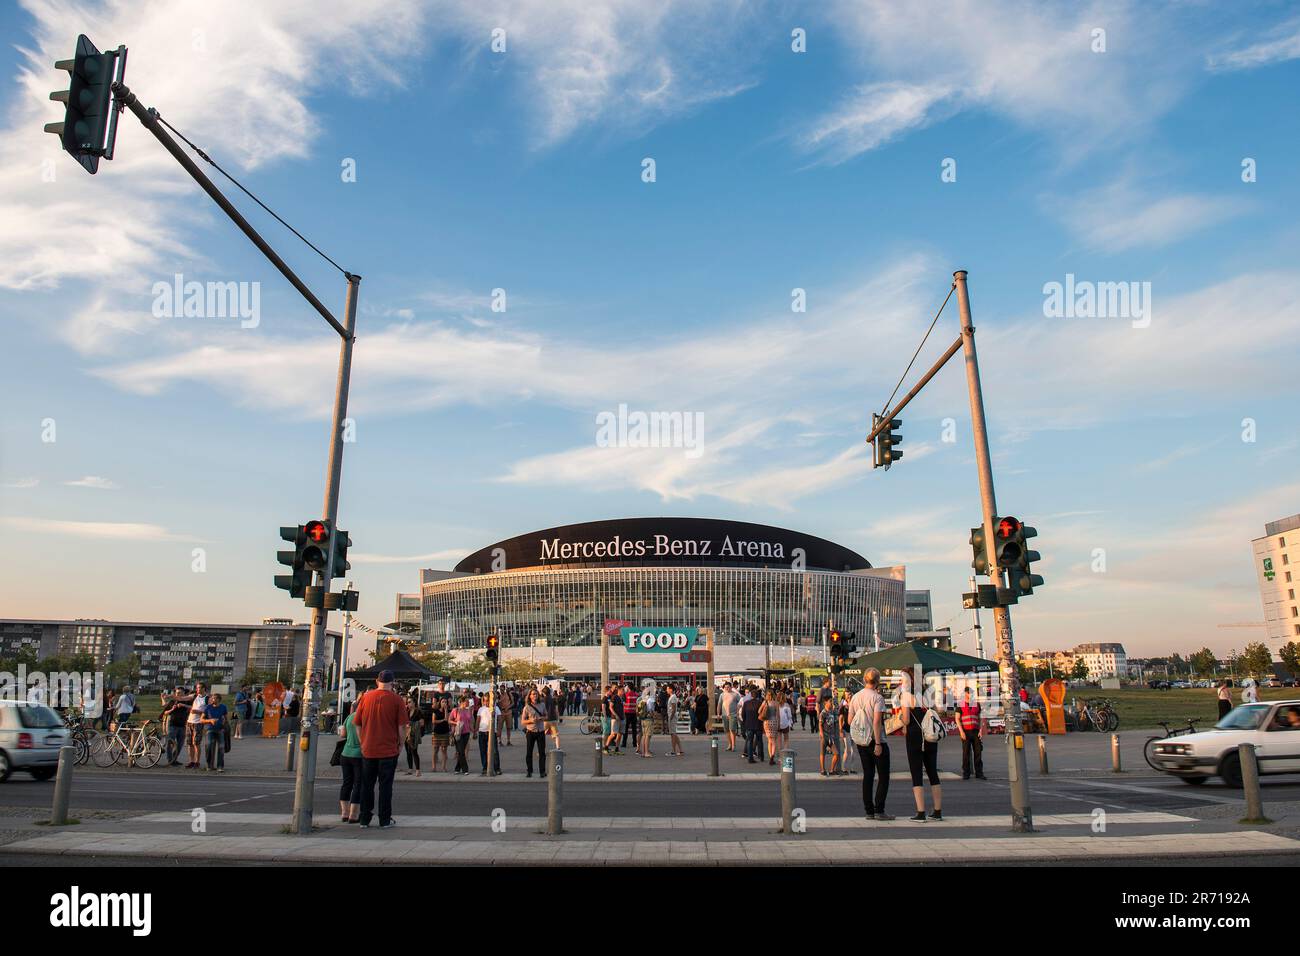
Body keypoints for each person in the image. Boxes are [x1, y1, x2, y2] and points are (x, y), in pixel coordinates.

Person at [351, 671, 409, 828]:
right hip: (389, 750)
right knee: (385, 786)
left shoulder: (366, 697)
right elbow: (402, 727)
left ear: (377, 681)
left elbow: (357, 723)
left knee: (366, 785)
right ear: (393, 682)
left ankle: (364, 818)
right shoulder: (397, 700)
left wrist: (363, 741)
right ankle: (384, 819)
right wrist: (401, 744)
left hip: (368, 749)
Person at [894, 671, 943, 821]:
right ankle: (937, 811)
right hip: (930, 736)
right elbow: (938, 711)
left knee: (916, 773)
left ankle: (920, 812)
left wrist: (900, 717)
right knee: (932, 772)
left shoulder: (906, 695)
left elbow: (907, 720)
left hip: (915, 736)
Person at [849, 668, 893, 820]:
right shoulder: (877, 698)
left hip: (862, 742)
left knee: (868, 775)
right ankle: (879, 809)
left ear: (864, 679)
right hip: (875, 741)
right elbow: (877, 722)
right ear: (878, 681)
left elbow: (850, 721)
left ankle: (869, 811)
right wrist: (878, 744)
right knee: (883, 776)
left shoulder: (855, 697)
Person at [338, 703, 363, 822]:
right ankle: (354, 815)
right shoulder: (363, 718)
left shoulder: (349, 717)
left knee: (346, 783)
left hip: (345, 753)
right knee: (358, 784)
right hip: (359, 755)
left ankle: (344, 813)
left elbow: (343, 734)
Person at [955, 685, 985, 780]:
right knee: (966, 753)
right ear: (965, 694)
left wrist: (980, 730)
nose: (969, 694)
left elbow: (980, 718)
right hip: (966, 732)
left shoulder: (977, 704)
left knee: (978, 752)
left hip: (976, 732)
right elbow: (957, 719)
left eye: (971, 693)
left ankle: (979, 773)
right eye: (968, 693)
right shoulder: (961, 705)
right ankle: (966, 773)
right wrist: (961, 732)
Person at [521, 688, 548, 777]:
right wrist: (530, 720)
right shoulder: (527, 707)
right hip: (530, 731)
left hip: (540, 731)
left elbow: (546, 716)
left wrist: (541, 718)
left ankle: (542, 771)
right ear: (529, 696)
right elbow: (523, 722)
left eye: (536, 694)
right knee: (529, 752)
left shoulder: (542, 705)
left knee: (542, 752)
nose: (535, 696)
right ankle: (529, 771)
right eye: (533, 694)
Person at [199, 692, 228, 772]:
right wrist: (210, 720)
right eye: (212, 698)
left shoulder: (223, 707)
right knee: (208, 746)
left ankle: (220, 766)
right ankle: (209, 765)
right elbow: (201, 720)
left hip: (220, 729)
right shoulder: (208, 707)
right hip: (209, 729)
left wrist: (225, 723)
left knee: (221, 747)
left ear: (218, 700)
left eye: (214, 698)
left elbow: (226, 718)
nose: (212, 699)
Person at [161, 687, 189, 767]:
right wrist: (172, 709)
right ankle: (170, 760)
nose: (178, 694)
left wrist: (185, 705)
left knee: (180, 744)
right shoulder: (173, 701)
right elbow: (165, 712)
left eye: (180, 693)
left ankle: (174, 759)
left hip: (182, 725)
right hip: (172, 724)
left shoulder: (187, 701)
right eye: (177, 693)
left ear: (184, 693)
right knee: (171, 743)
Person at [477, 692, 501, 776]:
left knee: (494, 751)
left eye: (488, 701)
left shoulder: (496, 708)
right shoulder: (481, 709)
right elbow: (478, 720)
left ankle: (497, 768)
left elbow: (500, 720)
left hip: (492, 732)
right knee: (483, 751)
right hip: (482, 731)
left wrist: (498, 731)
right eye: (485, 701)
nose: (486, 703)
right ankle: (484, 767)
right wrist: (475, 731)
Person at [184, 682, 207, 769]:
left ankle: (197, 762)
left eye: (200, 688)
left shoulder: (207, 698)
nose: (198, 689)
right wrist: (170, 696)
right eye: (197, 688)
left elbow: (208, 711)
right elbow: (182, 698)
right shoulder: (195, 696)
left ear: (204, 688)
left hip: (198, 723)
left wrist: (198, 712)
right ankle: (191, 761)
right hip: (190, 721)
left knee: (196, 743)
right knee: (189, 743)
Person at [451, 694, 473, 775]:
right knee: (461, 751)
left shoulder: (468, 710)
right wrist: (457, 722)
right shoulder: (455, 710)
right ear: (462, 702)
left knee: (461, 751)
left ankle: (457, 768)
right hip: (458, 733)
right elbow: (449, 720)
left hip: (466, 733)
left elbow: (470, 722)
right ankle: (465, 769)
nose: (468, 703)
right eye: (467, 701)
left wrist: (473, 731)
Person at [818, 696, 840, 775]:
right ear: (825, 703)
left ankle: (831, 770)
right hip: (825, 735)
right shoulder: (823, 713)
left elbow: (836, 721)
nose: (831, 703)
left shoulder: (831, 712)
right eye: (830, 701)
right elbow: (820, 725)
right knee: (822, 753)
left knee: (836, 753)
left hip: (831, 737)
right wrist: (822, 735)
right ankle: (823, 770)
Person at [403, 694, 424, 777]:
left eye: (409, 702)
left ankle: (418, 770)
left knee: (414, 751)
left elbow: (422, 723)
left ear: (414, 703)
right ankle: (410, 769)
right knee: (408, 752)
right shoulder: (406, 711)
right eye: (407, 702)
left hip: (414, 734)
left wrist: (411, 724)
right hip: (407, 734)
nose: (408, 704)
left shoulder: (418, 711)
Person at [741, 687, 763, 764]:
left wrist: (745, 721)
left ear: (751, 695)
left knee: (749, 741)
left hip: (749, 724)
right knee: (759, 741)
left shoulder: (746, 703)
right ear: (757, 696)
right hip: (758, 724)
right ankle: (760, 756)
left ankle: (750, 757)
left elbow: (743, 714)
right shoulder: (760, 703)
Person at [430, 691, 451, 772]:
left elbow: (447, 719)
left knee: (444, 750)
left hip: (445, 732)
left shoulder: (448, 711)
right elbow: (433, 721)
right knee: (435, 750)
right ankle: (434, 767)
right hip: (437, 732)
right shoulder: (435, 711)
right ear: (440, 702)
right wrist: (442, 720)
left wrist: (445, 709)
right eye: (443, 702)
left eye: (445, 702)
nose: (444, 703)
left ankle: (443, 767)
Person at [759, 690, 780, 766]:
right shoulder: (776, 703)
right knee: (774, 740)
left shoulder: (765, 702)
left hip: (766, 722)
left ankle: (770, 755)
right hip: (774, 721)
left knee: (769, 741)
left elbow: (759, 711)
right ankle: (772, 757)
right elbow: (778, 715)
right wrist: (778, 724)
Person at [718, 682, 740, 751]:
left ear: (731, 687)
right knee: (727, 730)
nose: (727, 688)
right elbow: (719, 704)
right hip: (724, 715)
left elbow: (740, 703)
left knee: (732, 730)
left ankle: (733, 745)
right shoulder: (722, 695)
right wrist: (718, 714)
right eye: (725, 687)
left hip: (733, 715)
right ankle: (730, 744)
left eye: (728, 687)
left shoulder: (735, 695)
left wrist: (738, 712)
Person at [666, 685, 685, 756]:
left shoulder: (673, 697)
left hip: (672, 716)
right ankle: (680, 750)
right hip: (672, 716)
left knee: (672, 734)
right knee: (674, 733)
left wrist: (670, 718)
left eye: (668, 689)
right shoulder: (672, 697)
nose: (667, 690)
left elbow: (673, 709)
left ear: (671, 689)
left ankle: (673, 751)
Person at [542, 685, 561, 750]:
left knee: (541, 735)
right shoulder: (553, 699)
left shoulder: (543, 700)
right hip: (553, 719)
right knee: (556, 735)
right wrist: (558, 718)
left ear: (543, 693)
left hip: (545, 720)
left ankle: (542, 749)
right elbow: (556, 710)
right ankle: (558, 748)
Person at [622, 683, 639, 751]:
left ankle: (624, 743)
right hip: (634, 713)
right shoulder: (636, 695)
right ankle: (634, 743)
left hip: (627, 713)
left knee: (625, 729)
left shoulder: (625, 695)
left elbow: (623, 704)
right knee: (634, 729)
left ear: (628, 688)